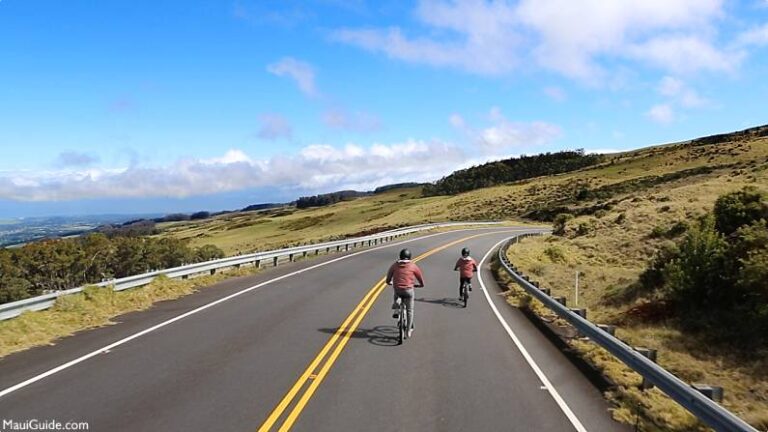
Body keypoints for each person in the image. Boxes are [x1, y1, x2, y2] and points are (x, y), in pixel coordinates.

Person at [386, 248, 424, 338]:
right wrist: (421, 285)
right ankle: (408, 331)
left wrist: (388, 282)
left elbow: (388, 277)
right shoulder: (413, 266)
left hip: (398, 289)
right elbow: (420, 277)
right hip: (408, 290)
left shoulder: (394, 265)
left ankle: (396, 306)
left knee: (396, 291)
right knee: (410, 310)